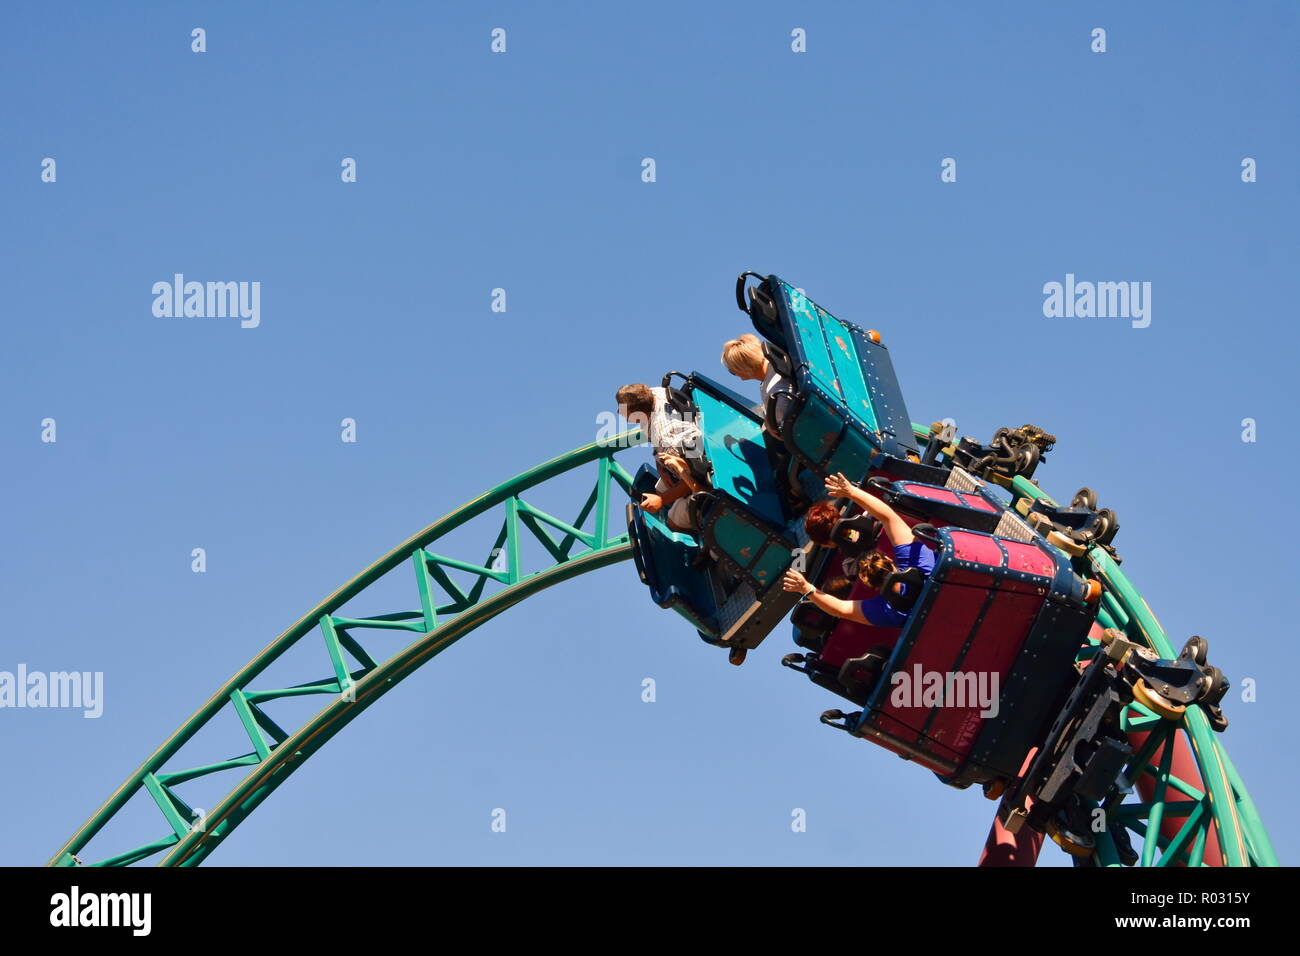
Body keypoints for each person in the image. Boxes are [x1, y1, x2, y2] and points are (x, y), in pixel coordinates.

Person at [782, 472, 935, 629]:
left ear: (869, 584)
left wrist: (807, 589)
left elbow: (840, 609)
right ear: (889, 559)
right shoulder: (918, 561)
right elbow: (888, 517)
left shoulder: (889, 612)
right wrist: (851, 492)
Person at [720, 333, 803, 510]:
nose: (734, 374)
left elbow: (781, 430)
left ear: (744, 368)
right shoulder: (774, 367)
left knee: (776, 479)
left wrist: (771, 425)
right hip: (793, 424)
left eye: (733, 370)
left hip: (798, 436)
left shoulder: (774, 390)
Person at [616, 383, 708, 533]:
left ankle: (704, 535)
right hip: (689, 452)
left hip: (700, 475)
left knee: (672, 523)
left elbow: (693, 479)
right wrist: (661, 468)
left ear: (637, 413)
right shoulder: (654, 393)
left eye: (624, 410)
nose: (620, 412)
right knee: (659, 489)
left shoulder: (666, 439)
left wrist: (662, 500)